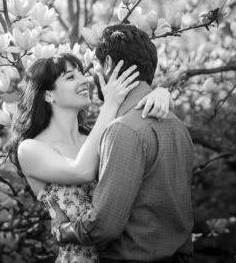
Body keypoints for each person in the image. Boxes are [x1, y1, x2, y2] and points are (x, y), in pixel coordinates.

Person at [9, 47, 172, 263]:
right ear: (48, 94)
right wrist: (111, 103)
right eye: (70, 77)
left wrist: (161, 94)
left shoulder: (97, 137)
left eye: (81, 73)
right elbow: (82, 170)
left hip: (123, 255)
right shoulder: (30, 148)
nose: (85, 79)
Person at [52, 25, 194, 262]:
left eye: (96, 66)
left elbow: (104, 226)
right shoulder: (177, 124)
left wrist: (62, 230)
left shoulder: (124, 130)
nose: (92, 76)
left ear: (107, 64)